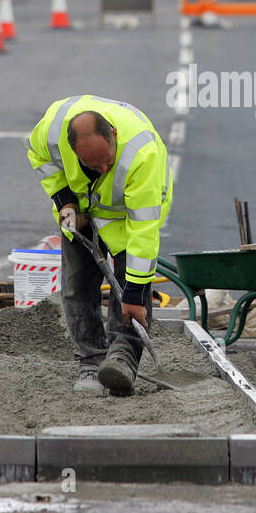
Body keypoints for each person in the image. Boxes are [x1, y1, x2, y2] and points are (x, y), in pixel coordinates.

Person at [27, 96, 172, 395]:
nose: (103, 169)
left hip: (128, 216)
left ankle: (122, 358)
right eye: (92, 164)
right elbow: (39, 156)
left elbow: (143, 230)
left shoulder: (142, 155)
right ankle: (91, 359)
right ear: (72, 149)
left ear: (114, 136)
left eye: (108, 160)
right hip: (80, 208)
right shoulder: (52, 131)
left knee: (130, 288)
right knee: (77, 284)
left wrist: (135, 291)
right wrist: (64, 200)